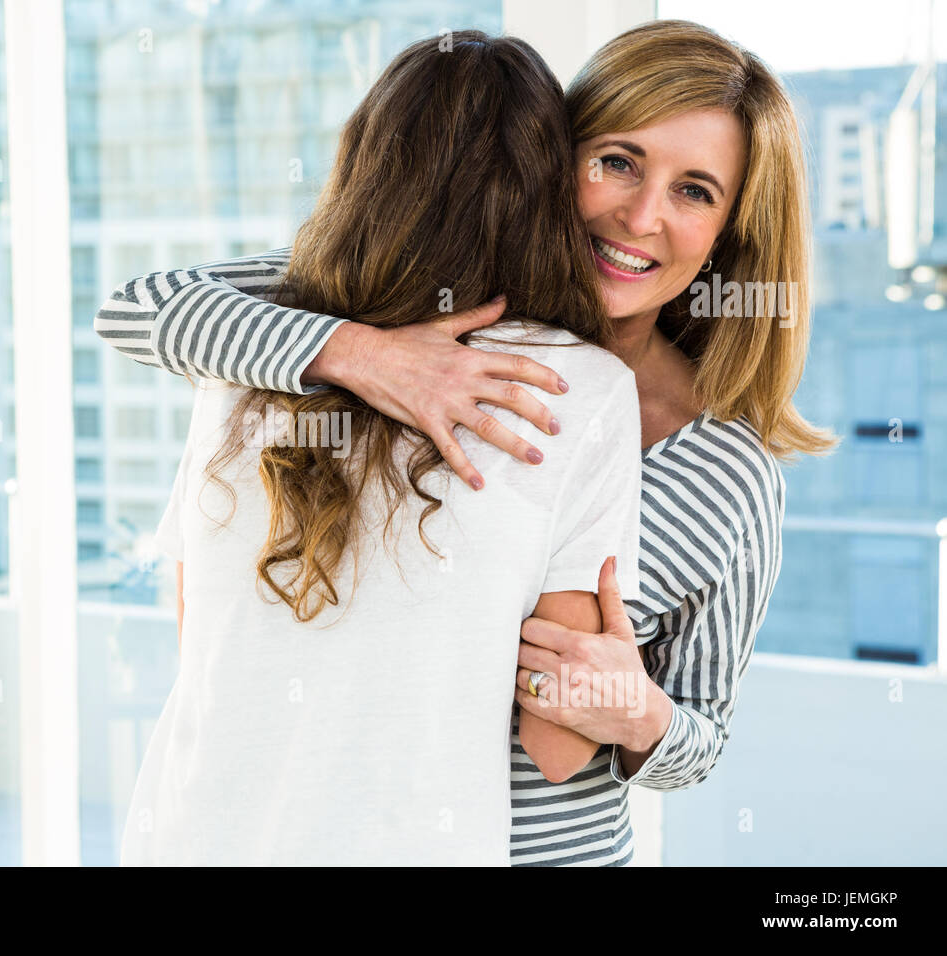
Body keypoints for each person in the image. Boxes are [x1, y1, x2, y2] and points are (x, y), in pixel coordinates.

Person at [100, 20, 837, 865]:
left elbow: (700, 735)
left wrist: (639, 714)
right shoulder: (368, 303)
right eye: (618, 161)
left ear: (728, 234)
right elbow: (138, 308)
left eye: (695, 191)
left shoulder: (727, 473)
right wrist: (367, 356)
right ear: (550, 155)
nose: (642, 216)